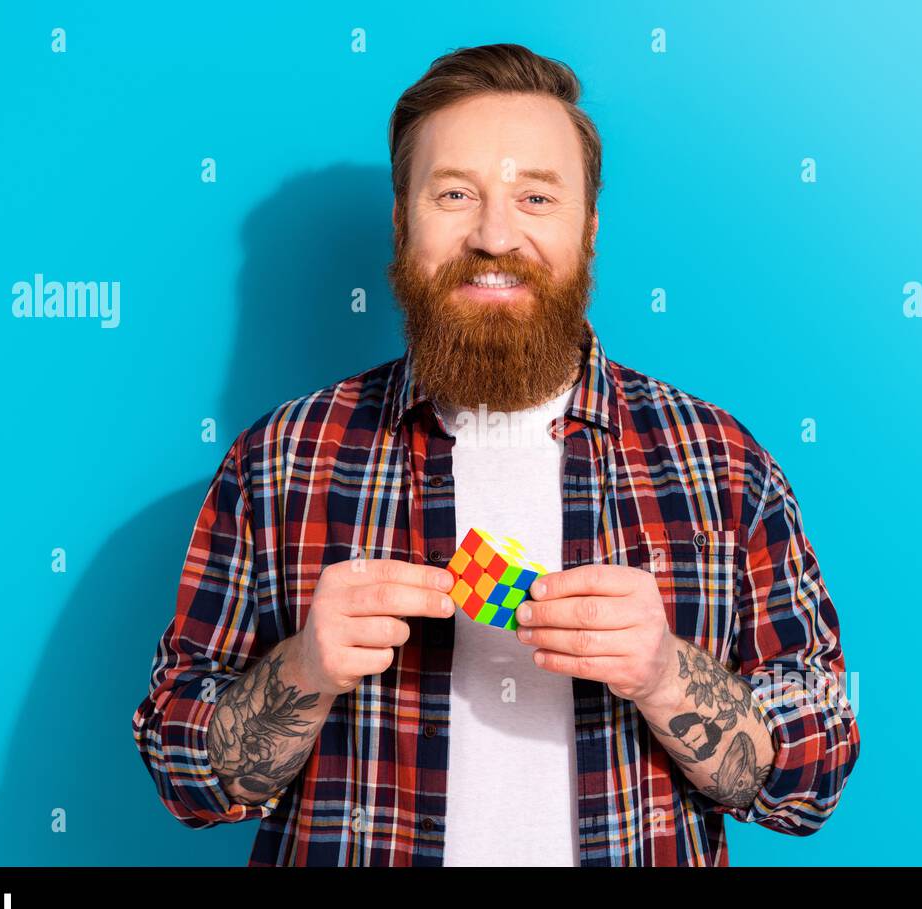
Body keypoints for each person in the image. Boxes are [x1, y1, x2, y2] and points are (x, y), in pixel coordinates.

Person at [131, 42, 860, 866]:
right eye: (455, 194)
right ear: (404, 223)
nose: (495, 235)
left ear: (588, 227)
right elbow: (179, 769)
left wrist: (665, 672)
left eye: (536, 196)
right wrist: (304, 668)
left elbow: (815, 777)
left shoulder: (722, 464)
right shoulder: (281, 458)